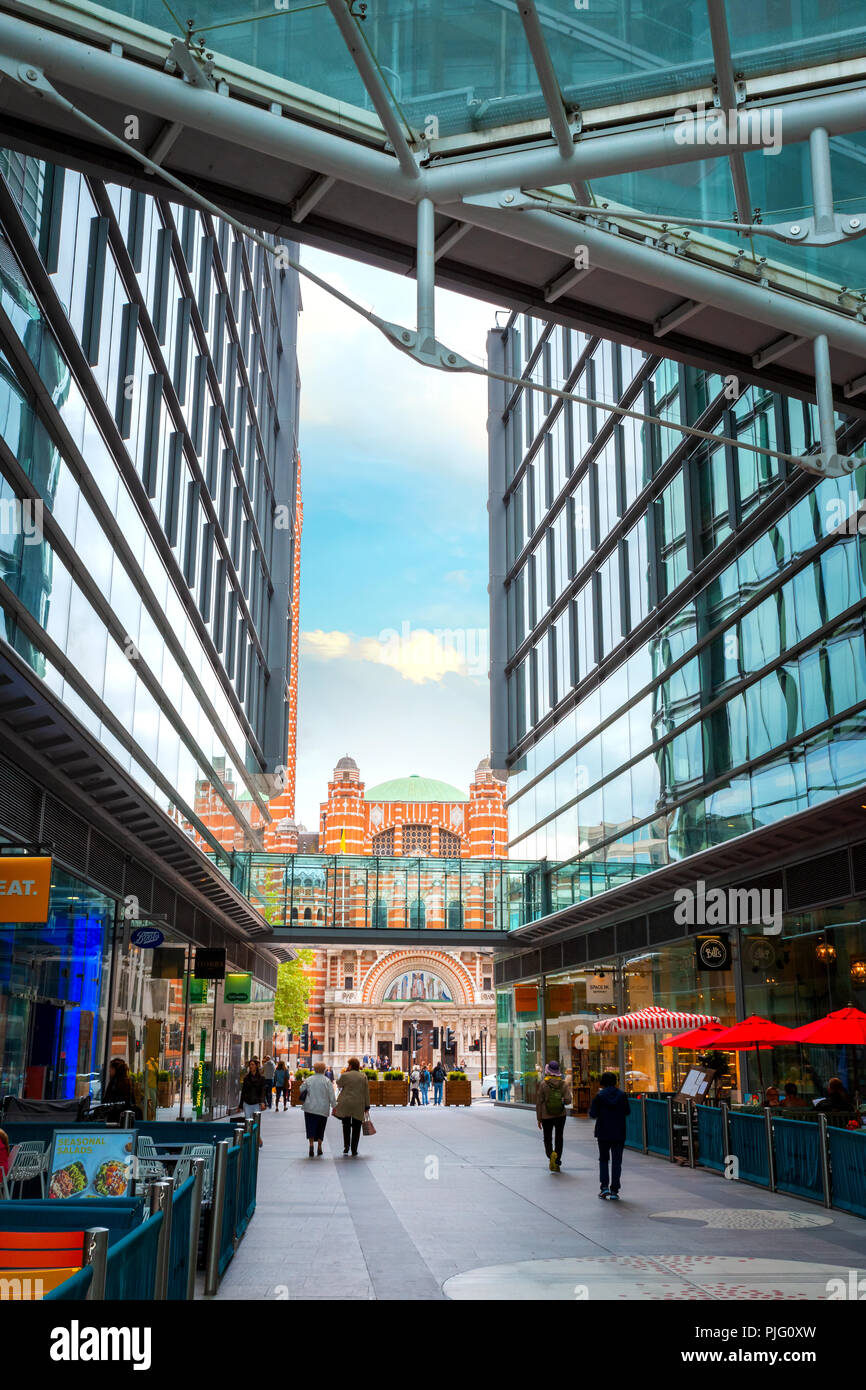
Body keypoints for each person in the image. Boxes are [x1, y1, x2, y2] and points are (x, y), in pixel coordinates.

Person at [590, 1071, 630, 1199]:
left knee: (603, 1159)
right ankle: (615, 1190)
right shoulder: (622, 1095)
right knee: (617, 1161)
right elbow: (627, 1111)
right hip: (619, 1132)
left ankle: (604, 1187)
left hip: (603, 1132)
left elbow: (593, 1114)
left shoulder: (599, 1096)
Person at [535, 1061, 572, 1172]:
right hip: (561, 1115)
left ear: (548, 1070)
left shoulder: (543, 1084)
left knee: (547, 1138)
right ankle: (557, 1160)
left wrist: (539, 1118)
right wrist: (561, 1101)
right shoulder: (563, 1084)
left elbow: (539, 1102)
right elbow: (568, 1100)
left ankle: (551, 1155)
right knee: (559, 1137)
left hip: (546, 1116)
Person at [334, 1056, 371, 1156]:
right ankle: (354, 1149)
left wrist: (345, 1072)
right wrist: (367, 1105)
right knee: (357, 1126)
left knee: (345, 1125)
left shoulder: (345, 1075)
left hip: (346, 1103)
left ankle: (346, 1147)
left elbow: (338, 1084)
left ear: (350, 1066)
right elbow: (366, 1092)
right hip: (358, 1104)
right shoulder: (363, 1076)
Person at [300, 1062, 337, 1158]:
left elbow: (301, 1089)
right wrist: (334, 1105)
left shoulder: (309, 1079)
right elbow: (331, 1095)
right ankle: (319, 1146)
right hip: (323, 1108)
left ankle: (311, 1145)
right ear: (324, 1070)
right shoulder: (327, 1081)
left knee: (310, 1127)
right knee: (321, 1128)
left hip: (309, 1108)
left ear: (314, 1069)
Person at [241, 1058, 267, 1146]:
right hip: (247, 1103)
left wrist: (262, 1102)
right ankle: (250, 1141)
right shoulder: (246, 1078)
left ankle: (257, 1138)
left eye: (252, 1065)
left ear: (256, 1066)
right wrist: (240, 1105)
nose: (251, 1066)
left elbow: (263, 1091)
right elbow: (243, 1092)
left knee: (256, 1123)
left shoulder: (261, 1079)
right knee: (248, 1122)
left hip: (256, 1103)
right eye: (250, 1065)